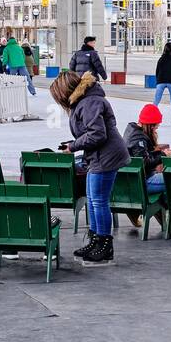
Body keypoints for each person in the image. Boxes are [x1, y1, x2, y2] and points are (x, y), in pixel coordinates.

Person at [50, 69, 129, 265]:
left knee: (99, 201)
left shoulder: (89, 102)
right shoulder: (85, 101)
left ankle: (104, 245)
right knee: (93, 199)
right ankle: (95, 241)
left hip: (106, 156)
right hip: (98, 156)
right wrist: (73, 142)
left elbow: (97, 134)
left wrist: (73, 146)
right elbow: (91, 133)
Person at [123, 102, 171, 203]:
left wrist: (160, 153)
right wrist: (163, 155)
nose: (156, 129)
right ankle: (167, 210)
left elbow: (144, 157)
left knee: (170, 177)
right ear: (150, 125)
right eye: (156, 126)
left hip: (133, 179)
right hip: (140, 182)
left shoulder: (132, 130)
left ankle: (163, 209)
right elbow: (145, 163)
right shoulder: (138, 139)